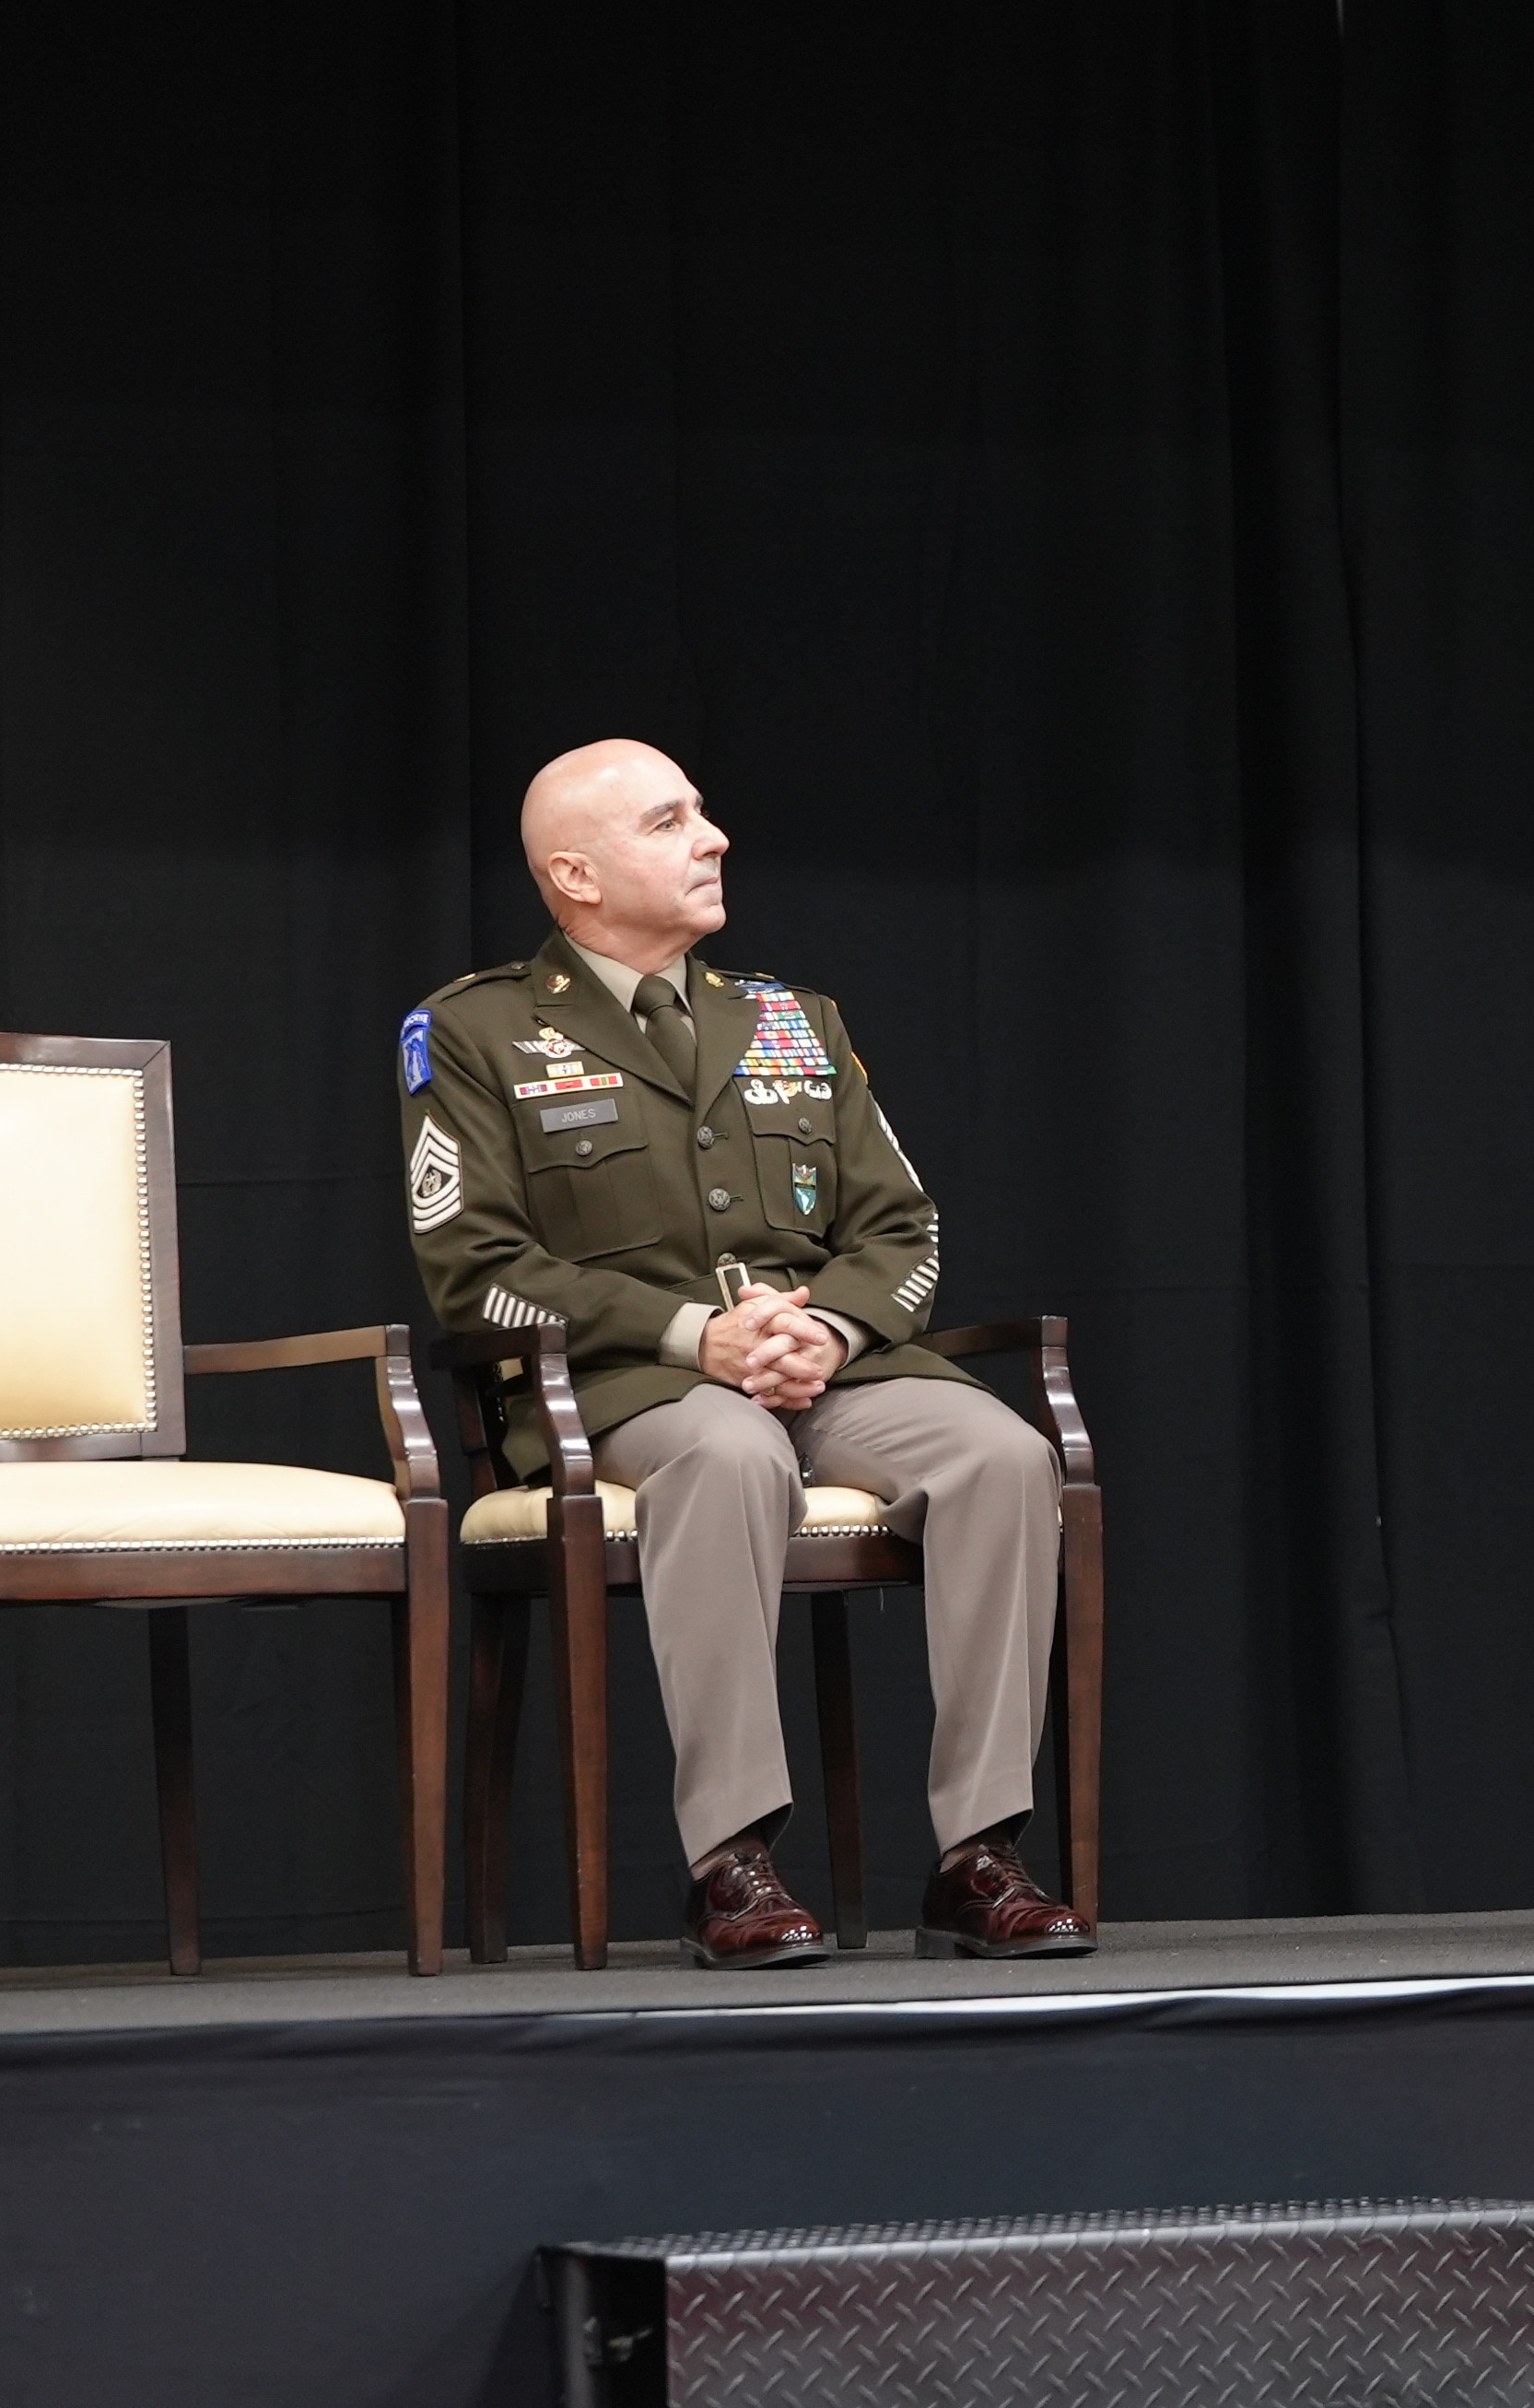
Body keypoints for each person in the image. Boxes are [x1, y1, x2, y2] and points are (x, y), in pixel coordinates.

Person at [400, 740, 1092, 1968]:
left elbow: (904, 1228)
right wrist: (694, 1337)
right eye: (671, 822)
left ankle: (979, 1855)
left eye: (703, 814)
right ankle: (735, 1864)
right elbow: (476, 1264)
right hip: (623, 1384)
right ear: (576, 873)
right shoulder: (479, 1031)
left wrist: (821, 1327)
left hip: (828, 1366)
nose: (714, 838)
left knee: (1001, 1453)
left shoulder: (790, 1019)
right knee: (728, 1458)